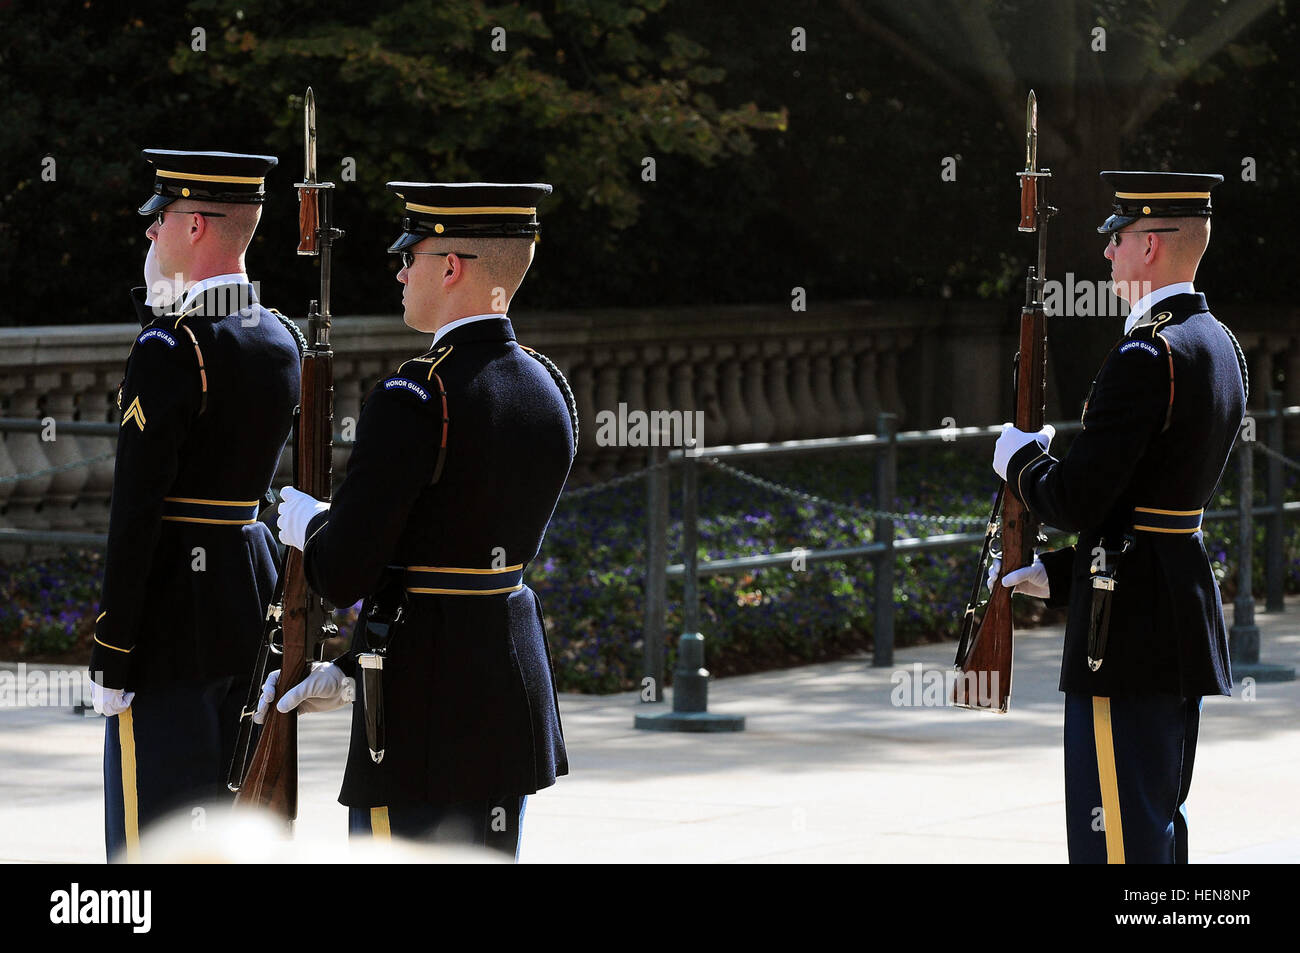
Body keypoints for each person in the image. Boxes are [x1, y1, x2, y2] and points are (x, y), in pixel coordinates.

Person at [259, 181, 576, 861]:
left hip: (419, 709)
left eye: (412, 255)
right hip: (506, 686)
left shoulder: (417, 393)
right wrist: (350, 665)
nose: (401, 272)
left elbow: (345, 572)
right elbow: (456, 559)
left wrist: (313, 526)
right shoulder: (548, 387)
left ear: (452, 267)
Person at [989, 171, 1247, 864]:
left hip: (1124, 638)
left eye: (1119, 237)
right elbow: (1153, 508)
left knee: (1118, 848)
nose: (1107, 253)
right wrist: (1064, 572)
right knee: (1155, 828)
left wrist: (1018, 462)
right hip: (1175, 617)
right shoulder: (1218, 345)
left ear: (1152, 248)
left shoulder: (1146, 353)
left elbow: (1077, 499)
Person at [89, 149, 303, 862]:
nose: (151, 234)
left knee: (152, 840)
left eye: (163, 219)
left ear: (199, 226)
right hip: (249, 599)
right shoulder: (281, 338)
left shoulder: (172, 344)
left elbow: (136, 510)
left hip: (171, 624)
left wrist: (113, 649)